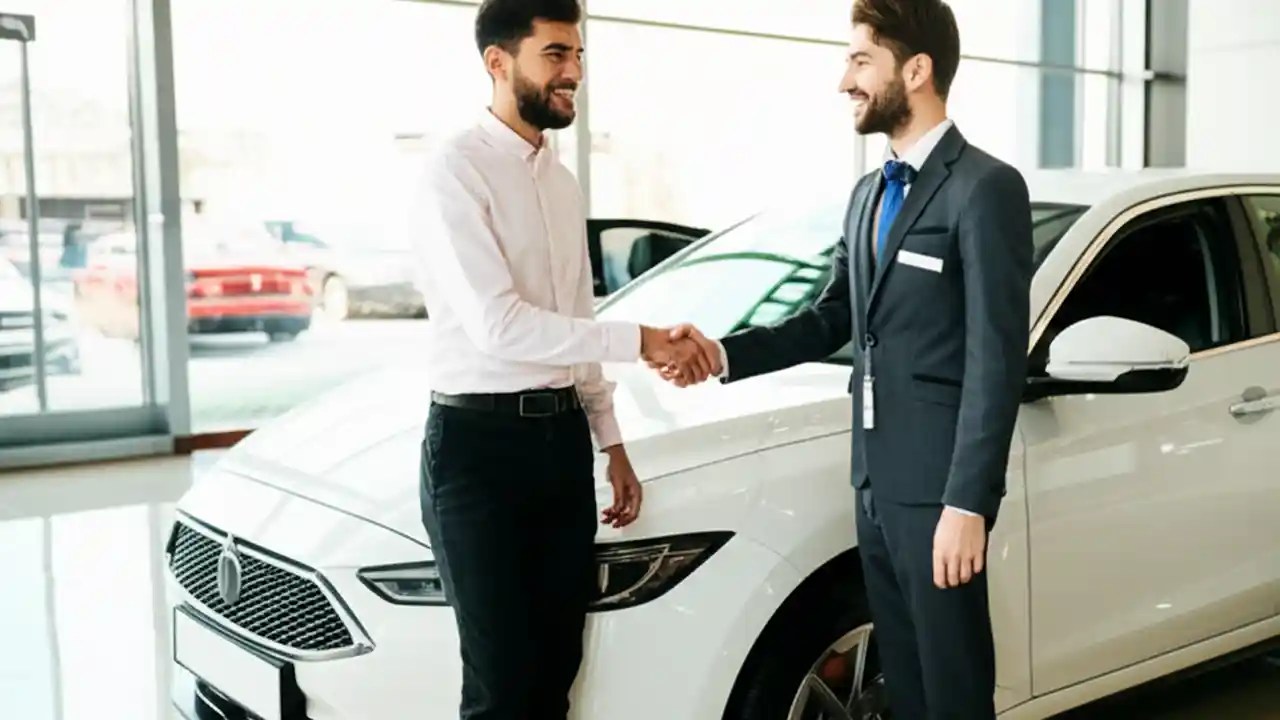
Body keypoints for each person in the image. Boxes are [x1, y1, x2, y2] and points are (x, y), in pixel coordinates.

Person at [659, 1, 1032, 717]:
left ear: (916, 70)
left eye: (861, 60)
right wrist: (719, 354)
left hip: (937, 496)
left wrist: (967, 504)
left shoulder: (984, 189)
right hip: (873, 485)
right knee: (910, 688)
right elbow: (832, 317)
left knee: (954, 692)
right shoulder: (868, 194)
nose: (844, 80)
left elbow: (996, 358)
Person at [407, 1, 716, 717]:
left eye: (577, 56)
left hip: (559, 447)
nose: (573, 72)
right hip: (476, 453)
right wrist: (641, 340)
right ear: (498, 62)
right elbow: (500, 327)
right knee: (501, 686)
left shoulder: (560, 180)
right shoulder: (456, 172)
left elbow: (574, 320)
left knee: (557, 672)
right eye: (555, 54)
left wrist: (610, 441)